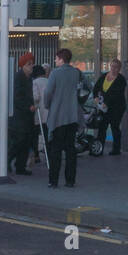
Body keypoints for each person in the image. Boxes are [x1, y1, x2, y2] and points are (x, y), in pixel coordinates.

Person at [44, 48, 81, 188]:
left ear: (61, 59)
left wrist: (48, 105)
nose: (55, 60)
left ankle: (53, 181)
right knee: (71, 149)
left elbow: (48, 92)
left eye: (56, 58)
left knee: (56, 150)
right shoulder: (75, 73)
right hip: (72, 116)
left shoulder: (55, 73)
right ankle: (70, 180)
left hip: (58, 116)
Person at [8, 52, 36, 175]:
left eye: (32, 64)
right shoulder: (18, 78)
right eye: (29, 64)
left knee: (26, 141)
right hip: (19, 116)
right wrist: (28, 106)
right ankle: (7, 160)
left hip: (27, 115)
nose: (32, 66)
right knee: (19, 141)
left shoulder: (29, 78)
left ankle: (20, 166)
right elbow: (17, 97)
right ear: (22, 65)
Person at [92, 59, 128, 156]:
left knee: (114, 126)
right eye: (112, 66)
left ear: (119, 69)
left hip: (117, 107)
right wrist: (95, 97)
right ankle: (99, 149)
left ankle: (116, 149)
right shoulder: (104, 76)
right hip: (103, 107)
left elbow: (116, 94)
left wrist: (107, 103)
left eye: (116, 67)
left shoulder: (121, 80)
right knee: (102, 127)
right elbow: (96, 88)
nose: (113, 69)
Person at [31, 64, 49, 161]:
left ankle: (36, 155)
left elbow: (35, 97)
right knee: (47, 135)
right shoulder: (49, 81)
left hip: (38, 113)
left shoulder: (35, 82)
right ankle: (49, 154)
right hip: (49, 113)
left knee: (35, 136)